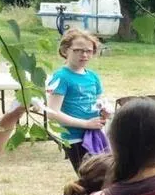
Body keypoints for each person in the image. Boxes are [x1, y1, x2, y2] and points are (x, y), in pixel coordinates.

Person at [44, 29, 107, 172]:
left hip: (95, 135)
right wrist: (86, 124)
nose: (84, 55)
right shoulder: (61, 77)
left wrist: (104, 112)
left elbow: (99, 103)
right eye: (78, 50)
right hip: (75, 137)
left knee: (103, 176)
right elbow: (52, 113)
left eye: (89, 51)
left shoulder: (93, 76)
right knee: (88, 177)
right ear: (65, 50)